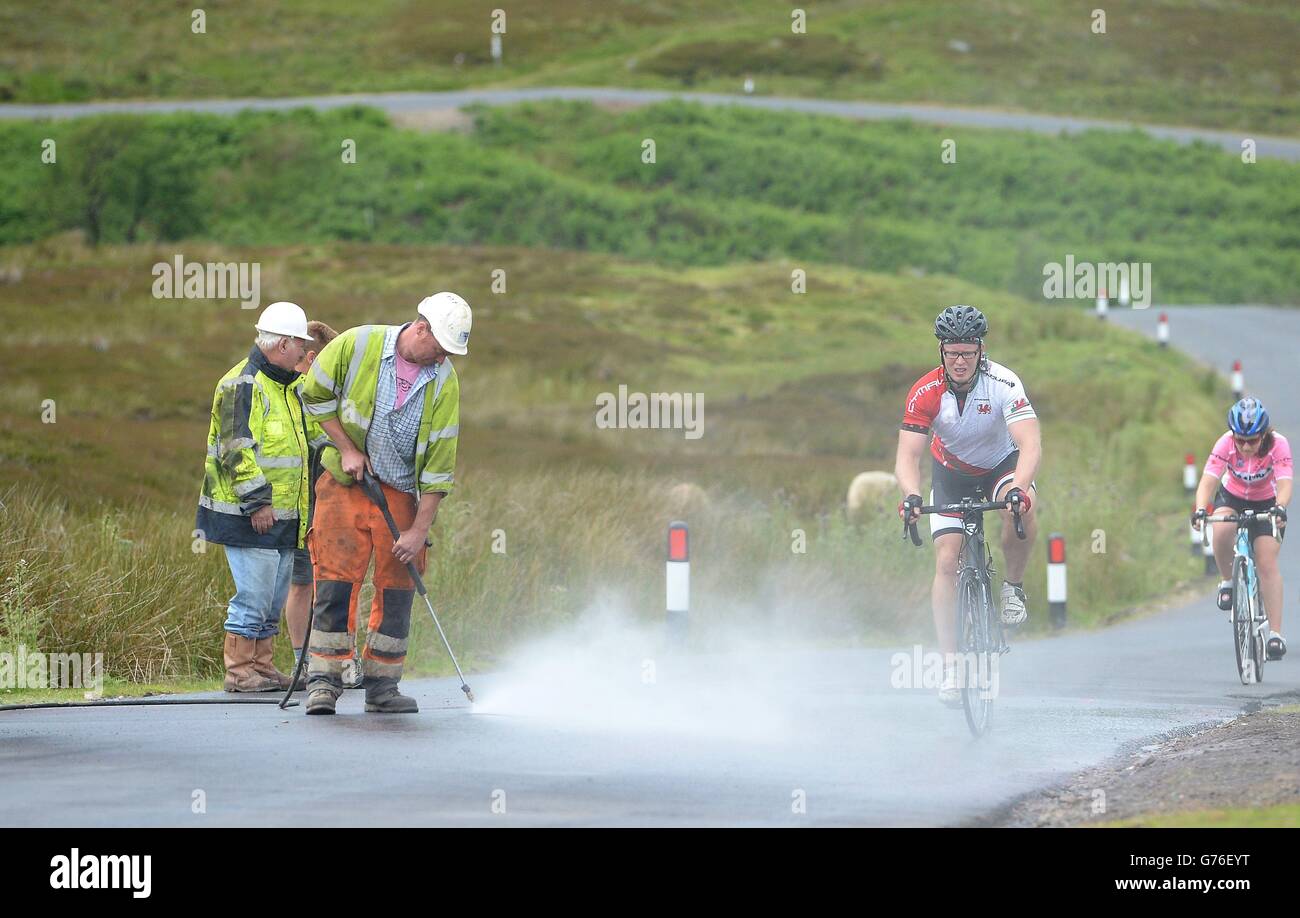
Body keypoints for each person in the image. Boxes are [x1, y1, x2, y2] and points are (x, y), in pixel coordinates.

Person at [299, 292, 470, 714]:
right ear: (421, 328)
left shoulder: (444, 382)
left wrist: (419, 531)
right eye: (440, 348)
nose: (442, 358)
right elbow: (313, 393)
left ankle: (382, 686)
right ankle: (324, 679)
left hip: (400, 495)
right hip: (344, 485)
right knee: (335, 582)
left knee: (398, 588)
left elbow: (439, 464)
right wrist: (346, 448)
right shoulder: (358, 344)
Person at [895, 305, 1041, 705]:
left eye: (967, 352)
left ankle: (1012, 587)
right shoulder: (926, 392)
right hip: (951, 472)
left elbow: (1030, 443)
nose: (959, 361)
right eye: (951, 352)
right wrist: (910, 494)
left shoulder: (1003, 383)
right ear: (941, 351)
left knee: (1021, 506)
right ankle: (950, 668)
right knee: (946, 562)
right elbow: (907, 457)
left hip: (1000, 467)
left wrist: (1021, 488)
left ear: (981, 350)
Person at [197, 302, 314, 692]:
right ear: (283, 344)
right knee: (254, 596)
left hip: (283, 516)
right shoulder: (242, 383)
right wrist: (258, 502)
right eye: (300, 344)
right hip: (250, 515)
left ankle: (262, 667)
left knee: (273, 596)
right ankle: (239, 672)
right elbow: (235, 448)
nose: (303, 351)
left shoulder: (288, 385)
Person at [282, 320, 354, 692]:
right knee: (300, 583)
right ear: (313, 358)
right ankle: (303, 660)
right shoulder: (293, 392)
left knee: (336, 582)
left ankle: (338, 658)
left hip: (333, 503)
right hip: (301, 504)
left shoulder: (338, 393)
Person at [1192, 397, 1290, 660]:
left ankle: (1276, 635)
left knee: (1267, 561)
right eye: (1240, 440)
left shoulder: (1279, 444)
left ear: (1264, 434)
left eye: (1253, 440)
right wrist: (1201, 509)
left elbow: (1284, 483)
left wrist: (1280, 507)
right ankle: (1227, 581)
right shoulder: (1225, 442)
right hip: (1232, 496)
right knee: (1222, 530)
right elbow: (1208, 481)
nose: (1246, 446)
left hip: (1268, 501)